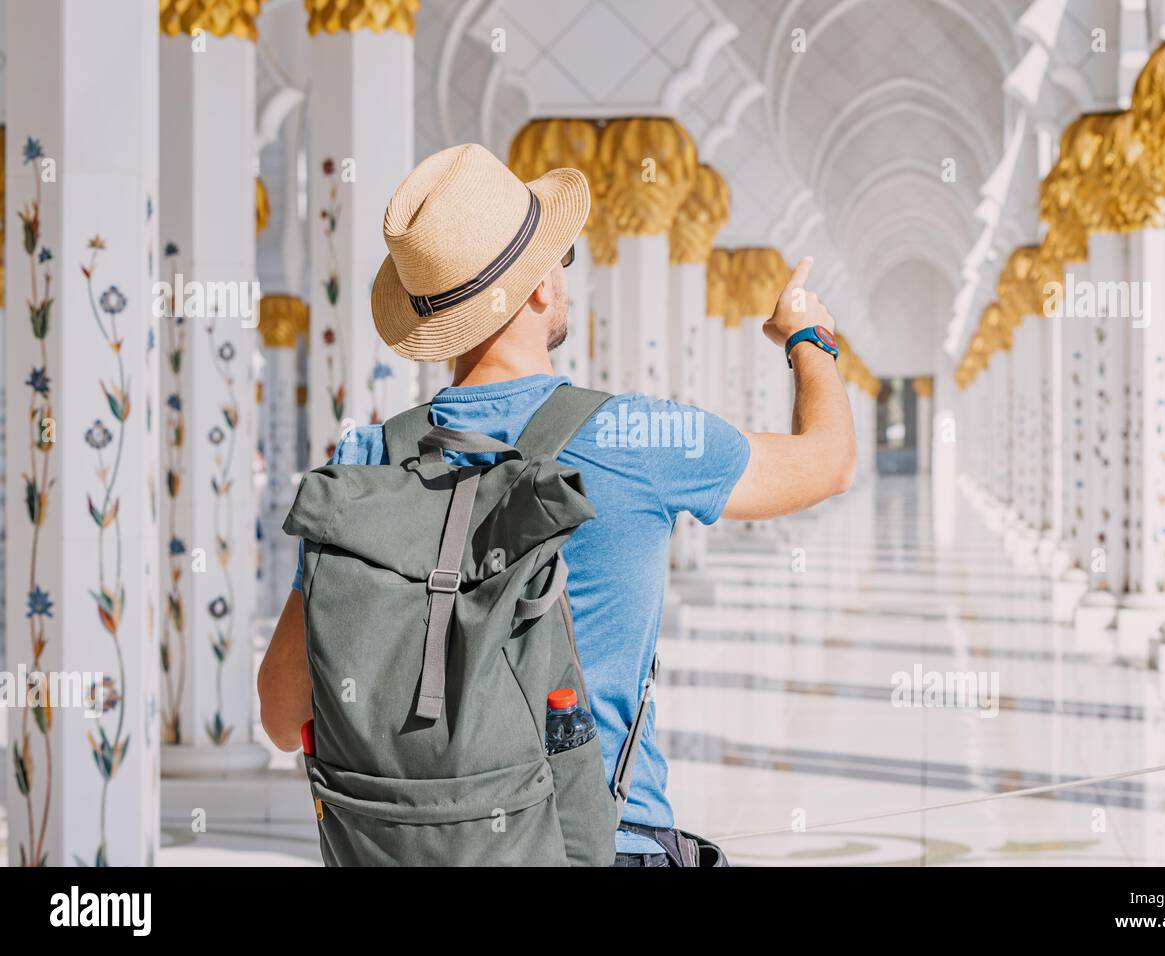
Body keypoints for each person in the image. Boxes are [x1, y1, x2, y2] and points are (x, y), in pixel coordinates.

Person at [258, 143, 855, 866]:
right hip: (604, 842)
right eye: (561, 258)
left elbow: (283, 712)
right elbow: (828, 461)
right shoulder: (638, 440)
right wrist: (805, 335)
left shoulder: (363, 462)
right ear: (539, 289)